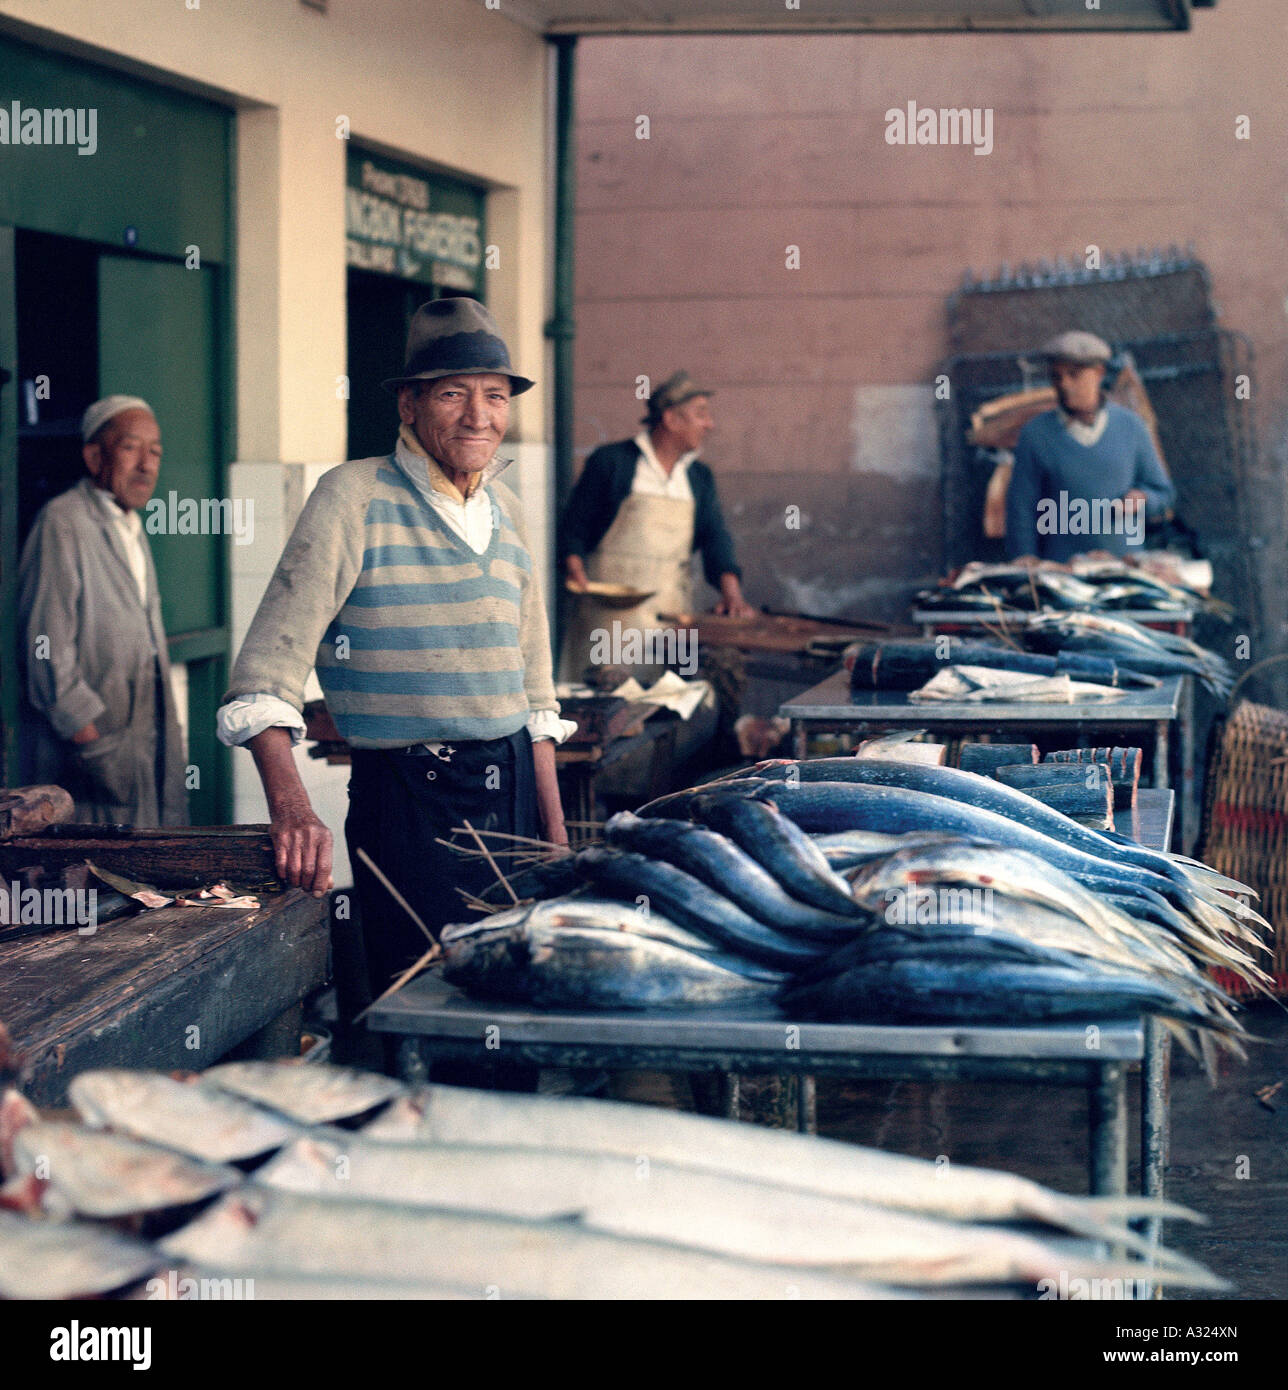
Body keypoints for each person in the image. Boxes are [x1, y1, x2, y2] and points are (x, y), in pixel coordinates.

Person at [218, 298, 572, 1001]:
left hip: (515, 800)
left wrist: (556, 840)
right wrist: (292, 807)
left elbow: (536, 697)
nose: (479, 416)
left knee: (516, 1005)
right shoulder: (351, 498)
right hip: (410, 799)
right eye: (453, 394)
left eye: (495, 396)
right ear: (409, 405)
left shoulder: (511, 514)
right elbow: (262, 680)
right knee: (425, 1005)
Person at [18, 396, 188, 827]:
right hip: (90, 758)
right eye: (132, 448)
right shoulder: (63, 521)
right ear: (95, 456)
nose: (147, 465)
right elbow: (45, 653)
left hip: (138, 747)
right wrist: (93, 745)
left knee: (148, 878)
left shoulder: (130, 523)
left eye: (156, 452)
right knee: (91, 881)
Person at [558, 371, 754, 682]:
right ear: (671, 419)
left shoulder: (698, 477)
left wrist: (731, 592)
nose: (709, 424)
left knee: (668, 701)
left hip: (670, 616)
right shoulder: (612, 462)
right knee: (605, 701)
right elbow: (574, 528)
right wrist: (575, 570)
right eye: (701, 414)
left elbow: (715, 536)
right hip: (609, 618)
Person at [1005, 331, 1174, 563]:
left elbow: (1164, 493)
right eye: (1056, 377)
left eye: (1073, 375)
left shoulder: (1130, 426)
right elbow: (1021, 509)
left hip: (1124, 567)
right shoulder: (1036, 435)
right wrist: (1025, 558)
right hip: (1062, 572)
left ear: (1098, 374)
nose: (1064, 384)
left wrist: (1143, 499)